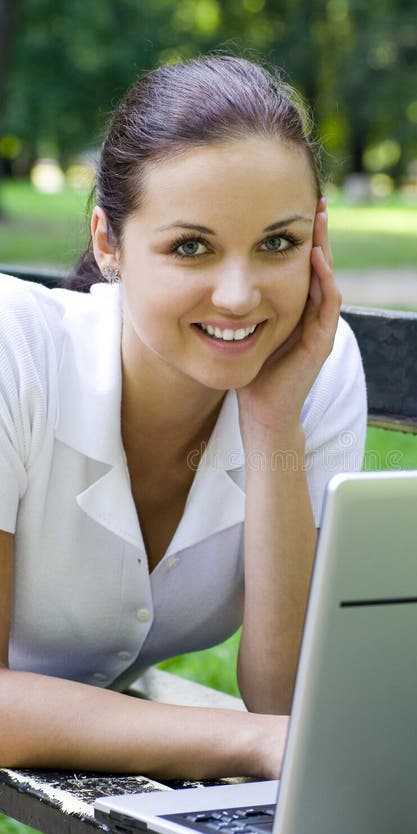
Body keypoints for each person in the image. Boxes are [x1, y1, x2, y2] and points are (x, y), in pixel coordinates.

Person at [0, 54, 367, 781]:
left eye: (278, 243)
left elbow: (285, 696)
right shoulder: (16, 348)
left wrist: (272, 425)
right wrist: (245, 743)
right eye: (191, 247)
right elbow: (276, 735)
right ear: (110, 243)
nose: (239, 296)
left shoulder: (317, 372)